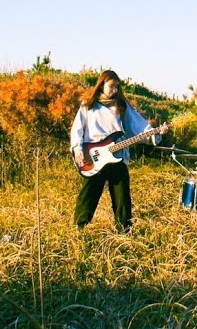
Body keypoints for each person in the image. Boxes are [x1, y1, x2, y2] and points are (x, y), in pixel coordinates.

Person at [69, 70, 161, 232]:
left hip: (118, 157)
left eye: (117, 87)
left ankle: (124, 231)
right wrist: (77, 148)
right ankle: (80, 228)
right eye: (111, 86)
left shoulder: (122, 106)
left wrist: (154, 133)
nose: (115, 90)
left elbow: (138, 125)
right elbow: (77, 129)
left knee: (122, 198)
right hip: (94, 157)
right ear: (101, 85)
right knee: (89, 194)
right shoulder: (88, 105)